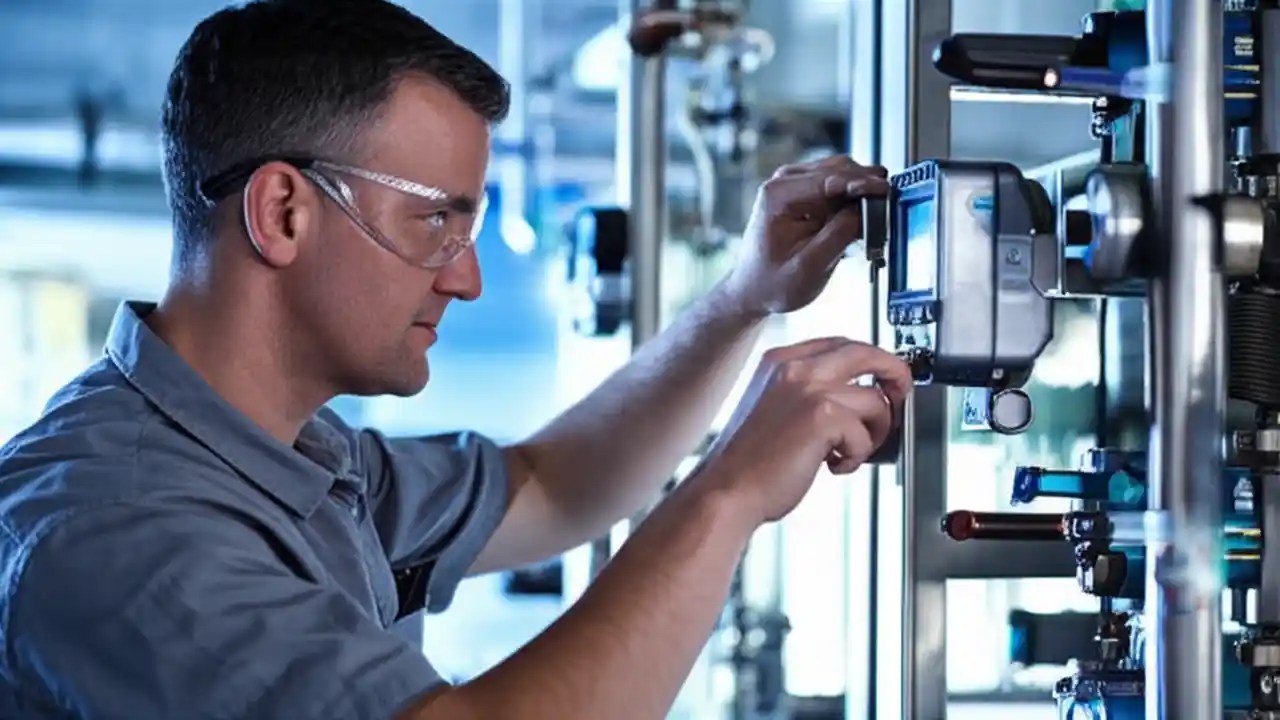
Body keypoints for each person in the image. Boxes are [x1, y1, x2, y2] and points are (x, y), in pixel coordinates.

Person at [0, 1, 911, 718]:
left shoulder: (295, 455)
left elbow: (553, 486)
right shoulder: (117, 529)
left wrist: (739, 302)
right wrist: (730, 491)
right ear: (283, 212)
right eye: (436, 220)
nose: (467, 279)